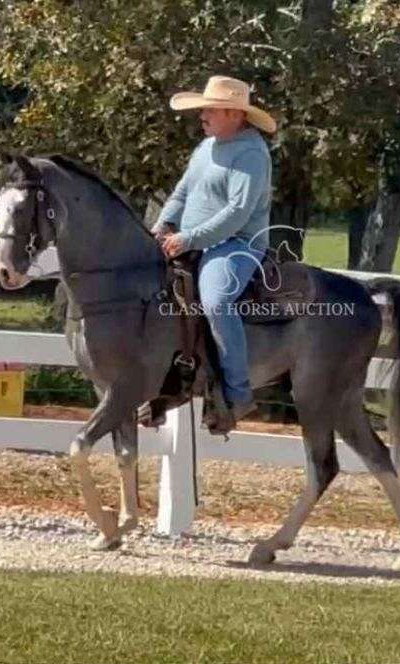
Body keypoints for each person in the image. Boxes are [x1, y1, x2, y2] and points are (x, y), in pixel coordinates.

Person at [151, 75, 277, 421]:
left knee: (217, 300)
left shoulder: (252, 153)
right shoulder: (206, 146)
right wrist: (162, 226)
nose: (203, 115)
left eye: (211, 110)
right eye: (203, 109)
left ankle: (236, 394)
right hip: (190, 239)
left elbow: (238, 213)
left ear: (235, 115)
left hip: (235, 245)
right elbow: (181, 193)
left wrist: (189, 239)